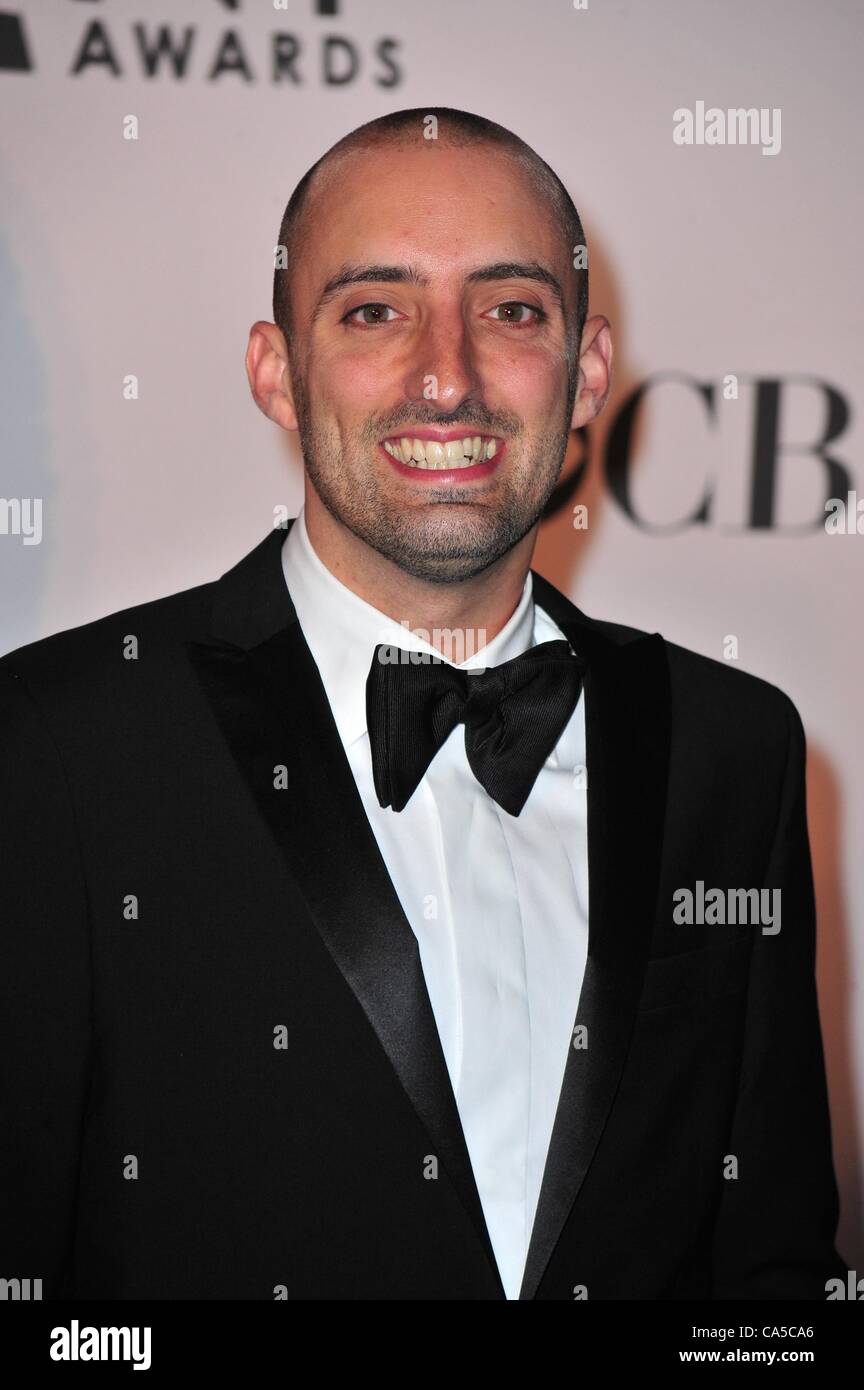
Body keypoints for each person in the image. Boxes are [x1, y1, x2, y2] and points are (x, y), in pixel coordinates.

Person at [0, 107, 847, 1300]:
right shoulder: (57, 742)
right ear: (277, 373)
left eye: (510, 310)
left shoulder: (734, 748)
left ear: (588, 371)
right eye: (374, 310)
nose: (446, 374)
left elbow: (771, 1276)